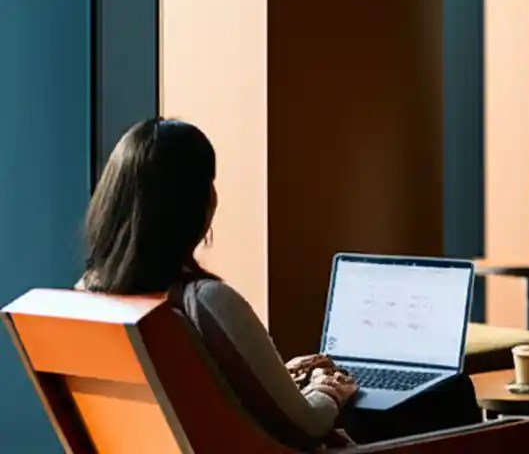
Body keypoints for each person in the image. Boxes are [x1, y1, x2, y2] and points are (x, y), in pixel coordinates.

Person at [79, 118, 480, 448]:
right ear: (193, 204)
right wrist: (328, 389)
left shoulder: (89, 299)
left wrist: (280, 377)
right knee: (452, 394)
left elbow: (200, 394)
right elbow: (307, 426)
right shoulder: (207, 302)